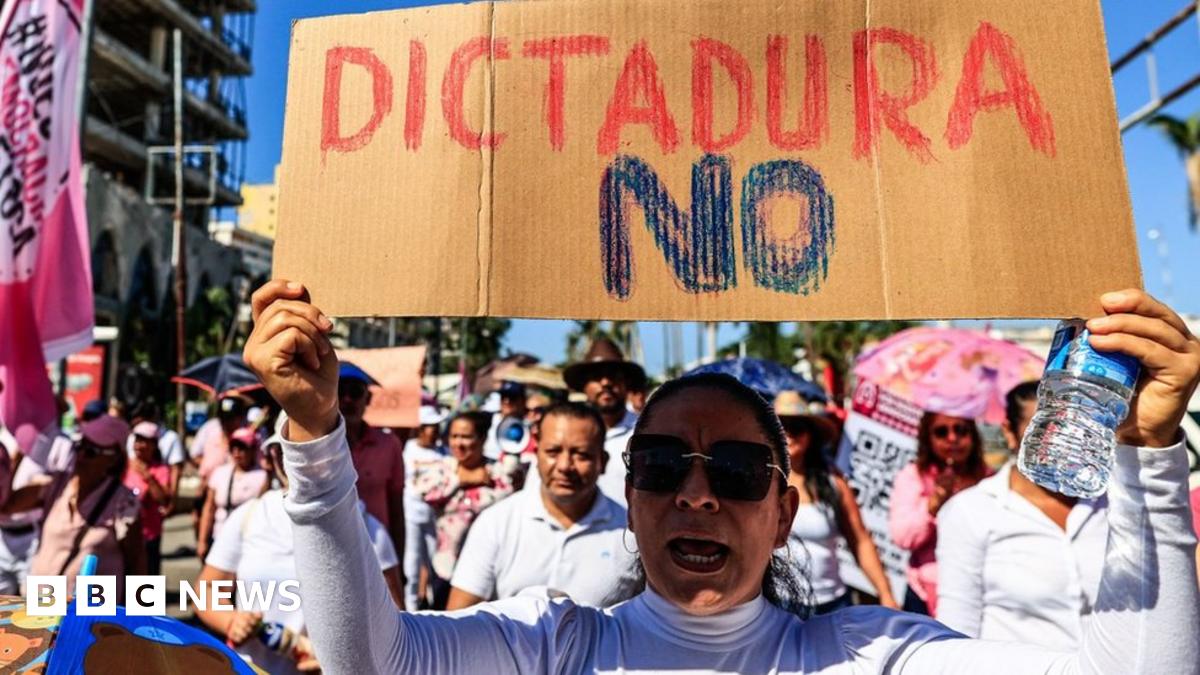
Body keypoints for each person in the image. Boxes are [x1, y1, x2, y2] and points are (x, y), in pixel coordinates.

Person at [244, 281, 1200, 674]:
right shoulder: (556, 645)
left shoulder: (869, 656)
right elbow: (372, 661)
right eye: (664, 464)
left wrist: (1150, 456)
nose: (698, 494)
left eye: (739, 471)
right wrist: (317, 432)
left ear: (784, 513)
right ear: (635, 495)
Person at [196, 436, 403, 674]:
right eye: (291, 450)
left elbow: (397, 626)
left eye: (318, 451)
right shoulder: (249, 516)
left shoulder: (368, 529)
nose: (306, 462)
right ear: (274, 456)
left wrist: (344, 658)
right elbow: (206, 590)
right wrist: (231, 621)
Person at [935, 380, 1108, 649]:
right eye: (1043, 426)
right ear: (1010, 432)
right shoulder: (971, 512)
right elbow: (956, 630)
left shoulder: (1109, 505)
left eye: (1069, 426)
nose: (1058, 439)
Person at [446, 402, 639, 609]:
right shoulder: (496, 523)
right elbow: (458, 619)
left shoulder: (633, 536)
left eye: (581, 454)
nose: (565, 466)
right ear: (537, 455)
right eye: (553, 452)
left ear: (603, 461)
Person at [774, 391, 898, 613]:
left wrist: (886, 594)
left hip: (831, 605)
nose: (789, 434)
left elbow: (860, 540)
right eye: (781, 426)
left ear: (810, 435)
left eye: (797, 427)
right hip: (776, 607)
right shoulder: (757, 483)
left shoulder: (832, 480)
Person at [27, 414, 144, 601]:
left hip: (90, 614)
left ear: (113, 459)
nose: (80, 456)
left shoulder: (124, 502)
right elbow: (6, 505)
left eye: (91, 451)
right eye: (80, 446)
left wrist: (142, 619)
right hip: (42, 602)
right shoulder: (57, 485)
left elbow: (137, 562)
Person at [888, 410, 990, 616]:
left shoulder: (989, 480)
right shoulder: (913, 476)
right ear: (928, 438)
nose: (952, 438)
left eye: (961, 430)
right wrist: (933, 504)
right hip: (924, 595)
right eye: (941, 432)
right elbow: (902, 537)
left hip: (978, 591)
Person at [413, 411, 515, 608]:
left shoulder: (499, 472)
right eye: (454, 436)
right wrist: (464, 479)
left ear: (483, 438)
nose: (459, 443)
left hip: (491, 570)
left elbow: (510, 497)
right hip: (446, 568)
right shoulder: (442, 469)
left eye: (466, 436)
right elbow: (425, 491)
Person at [553, 337, 647, 507]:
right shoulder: (565, 433)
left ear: (626, 383)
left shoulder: (646, 432)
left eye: (614, 376)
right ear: (584, 386)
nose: (606, 383)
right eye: (597, 377)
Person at [338, 362, 406, 560]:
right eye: (340, 391)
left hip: (378, 555)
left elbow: (396, 508)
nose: (347, 399)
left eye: (355, 392)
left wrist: (398, 561)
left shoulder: (389, 444)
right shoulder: (319, 446)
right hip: (334, 552)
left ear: (368, 399)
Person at [197, 426, 270, 562]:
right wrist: (202, 541)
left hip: (250, 541)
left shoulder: (263, 476)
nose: (237, 453)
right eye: (233, 448)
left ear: (253, 449)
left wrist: (269, 476)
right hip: (221, 537)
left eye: (242, 448)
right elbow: (209, 508)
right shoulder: (220, 473)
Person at [401, 405, 446, 610]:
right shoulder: (407, 450)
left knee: (436, 563)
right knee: (412, 564)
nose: (435, 431)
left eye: (437, 426)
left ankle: (436, 605)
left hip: (437, 517)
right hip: (412, 515)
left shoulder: (444, 451)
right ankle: (411, 607)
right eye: (430, 426)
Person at [124, 421, 172, 575]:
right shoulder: (124, 466)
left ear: (154, 445)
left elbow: (163, 499)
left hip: (149, 535)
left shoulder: (161, 470)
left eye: (144, 441)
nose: (140, 446)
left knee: (148, 585)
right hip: (125, 535)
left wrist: (148, 477)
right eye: (137, 441)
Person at [125, 400, 186, 511]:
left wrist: (172, 500)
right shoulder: (133, 436)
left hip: (158, 486)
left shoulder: (171, 438)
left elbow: (175, 470)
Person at [190, 395, 250, 482]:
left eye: (231, 418)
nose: (226, 422)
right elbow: (194, 455)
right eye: (223, 418)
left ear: (241, 417)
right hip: (210, 484)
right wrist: (214, 470)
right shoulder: (210, 427)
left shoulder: (247, 431)